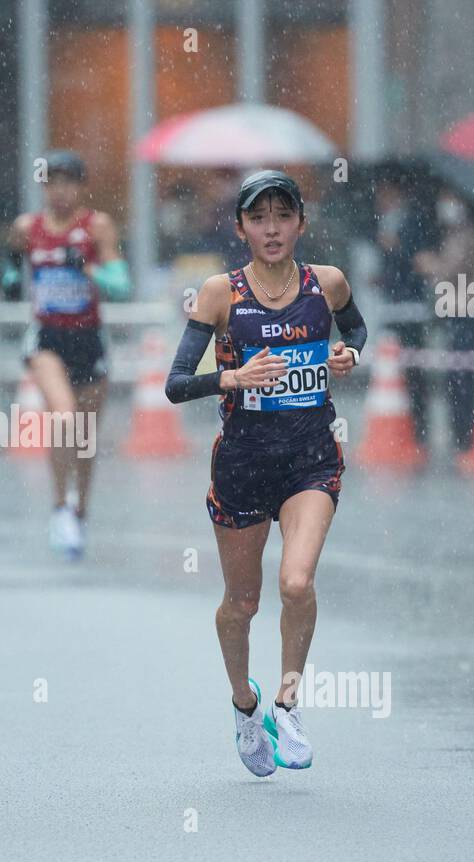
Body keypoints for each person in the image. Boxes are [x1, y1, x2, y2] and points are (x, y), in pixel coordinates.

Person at [164, 169, 366, 777]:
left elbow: (355, 328)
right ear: (242, 228)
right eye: (259, 219)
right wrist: (229, 377)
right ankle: (244, 706)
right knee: (242, 602)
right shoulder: (219, 293)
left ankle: (287, 703)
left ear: (301, 223)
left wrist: (349, 352)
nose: (272, 230)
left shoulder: (325, 284)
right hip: (243, 465)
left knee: (297, 584)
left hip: (311, 458)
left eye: (283, 217)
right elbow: (175, 385)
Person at [4, 149, 132, 560]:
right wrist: (10, 270)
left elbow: (121, 284)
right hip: (47, 339)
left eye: (68, 182)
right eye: (52, 182)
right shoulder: (28, 227)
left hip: (89, 339)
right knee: (63, 418)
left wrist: (88, 269)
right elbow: (10, 274)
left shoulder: (96, 227)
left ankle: (80, 510)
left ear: (80, 186)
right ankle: (59, 507)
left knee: (85, 437)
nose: (60, 191)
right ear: (43, 186)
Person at [413, 189, 474, 454]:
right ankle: (461, 432)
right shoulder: (453, 234)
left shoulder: (470, 235)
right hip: (454, 310)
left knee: (463, 374)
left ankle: (465, 434)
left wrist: (432, 264)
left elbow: (451, 270)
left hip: (466, 310)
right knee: (455, 375)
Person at [372, 175, 434, 450]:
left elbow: (417, 260)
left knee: (413, 369)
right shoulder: (385, 224)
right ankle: (403, 424)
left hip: (410, 306)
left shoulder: (413, 221)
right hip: (392, 304)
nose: (381, 201)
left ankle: (420, 427)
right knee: (395, 368)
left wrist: (397, 248)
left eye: (386, 195)